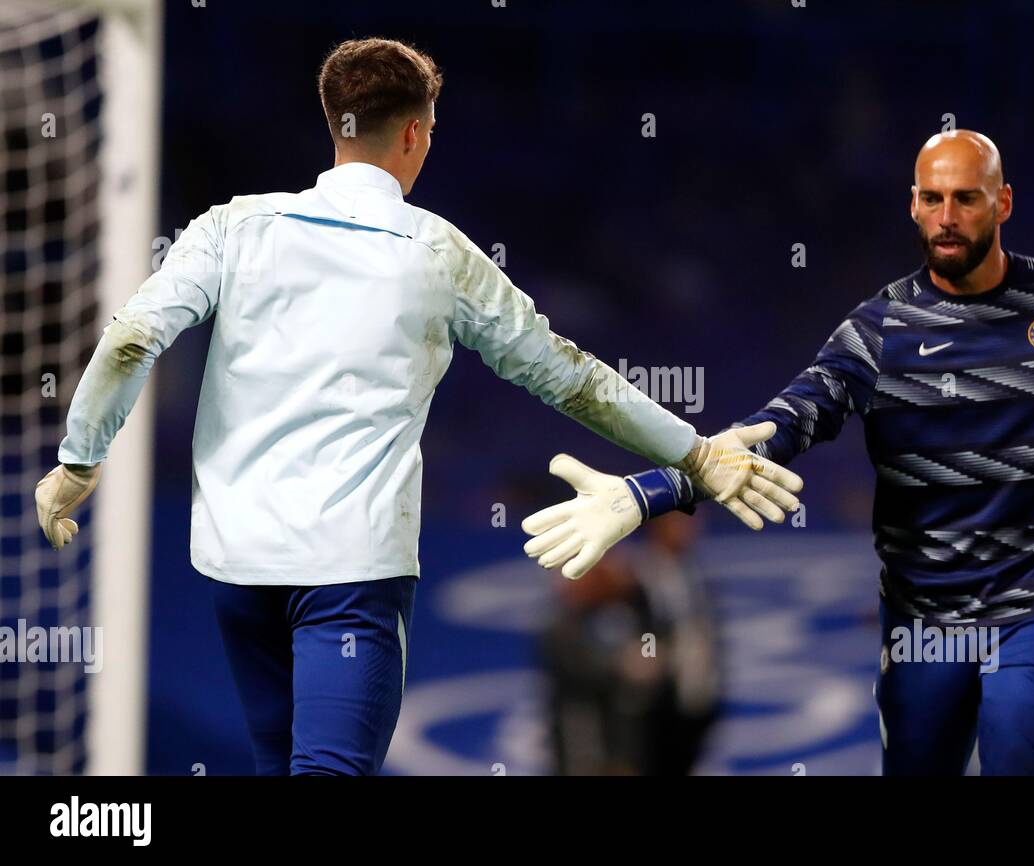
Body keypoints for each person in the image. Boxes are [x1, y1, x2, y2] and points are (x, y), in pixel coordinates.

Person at [32, 37, 802, 775]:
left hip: (238, 565)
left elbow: (131, 338)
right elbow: (570, 377)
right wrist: (694, 453)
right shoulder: (437, 253)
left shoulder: (231, 227)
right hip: (351, 571)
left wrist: (80, 458)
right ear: (413, 132)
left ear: (334, 123)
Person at [522, 129, 1034, 775]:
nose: (946, 217)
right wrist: (647, 494)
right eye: (931, 198)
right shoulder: (877, 331)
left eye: (966, 198)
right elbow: (775, 429)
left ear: (1003, 203)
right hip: (925, 618)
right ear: (914, 204)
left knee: (1016, 742)